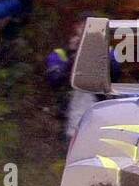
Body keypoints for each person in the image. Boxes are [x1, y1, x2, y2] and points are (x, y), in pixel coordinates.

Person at [46, 14, 120, 143]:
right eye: (84, 26)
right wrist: (72, 56)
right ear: (77, 28)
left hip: (99, 113)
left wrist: (96, 53)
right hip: (69, 115)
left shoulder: (108, 51)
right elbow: (54, 80)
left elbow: (115, 74)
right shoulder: (61, 53)